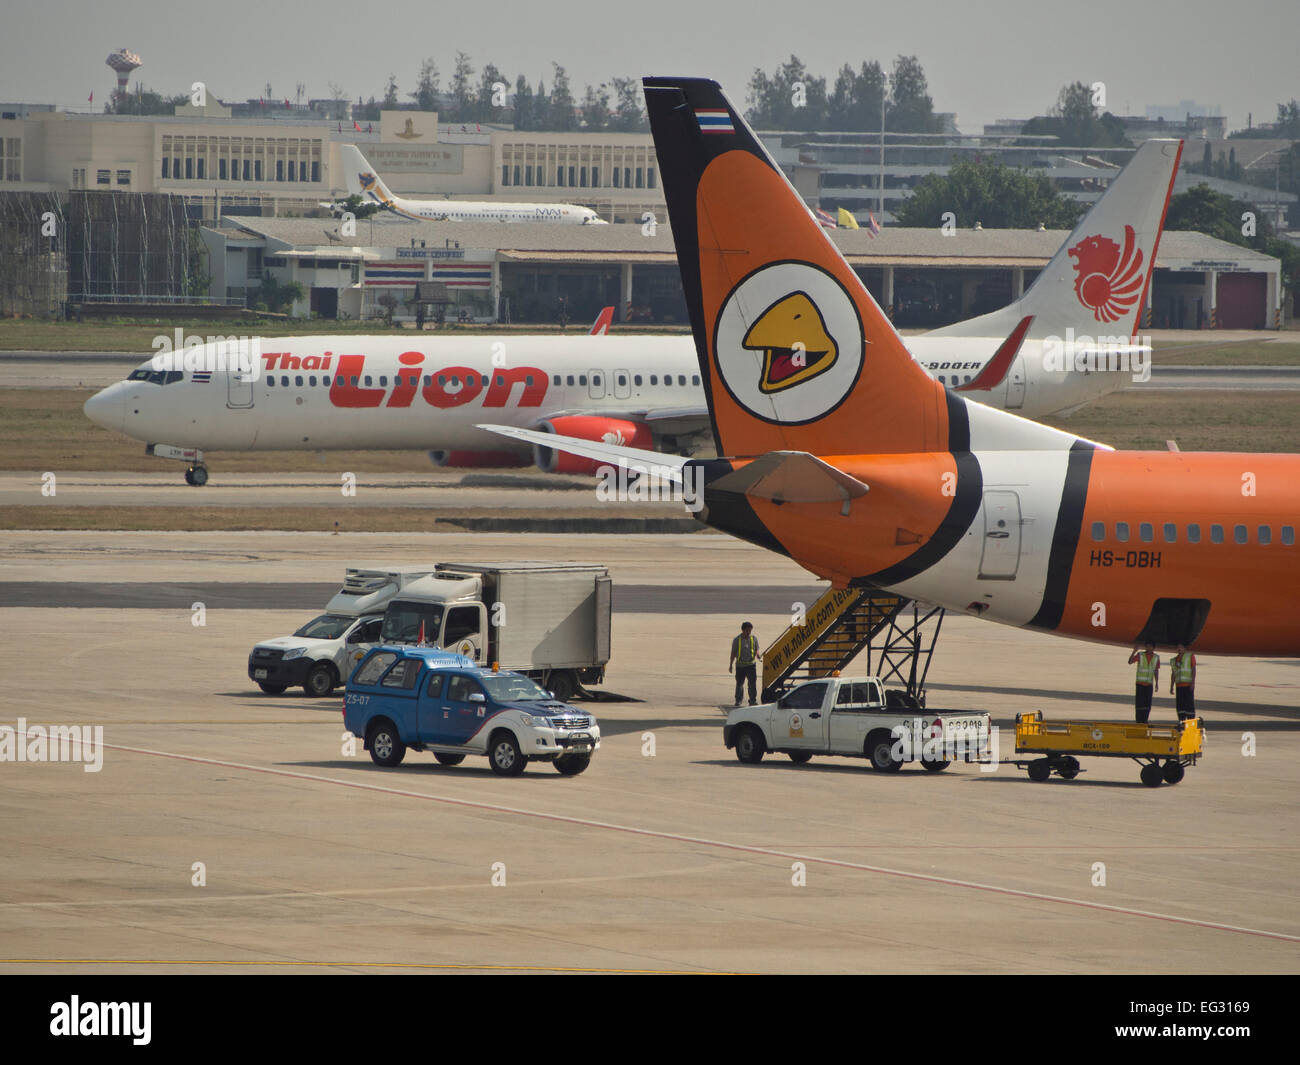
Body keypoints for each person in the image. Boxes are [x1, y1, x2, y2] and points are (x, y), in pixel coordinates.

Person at [1127, 642, 1160, 724]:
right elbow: (1130, 662)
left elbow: (1156, 671)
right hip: (1140, 684)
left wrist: (1156, 683)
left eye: (1150, 647)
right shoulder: (1140, 655)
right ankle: (1139, 720)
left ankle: (1145, 720)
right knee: (1139, 704)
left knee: (1147, 704)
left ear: (1153, 648)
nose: (1148, 648)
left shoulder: (1156, 657)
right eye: (1147, 647)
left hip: (1149, 684)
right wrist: (1134, 651)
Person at [729, 621, 759, 707]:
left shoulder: (754, 638)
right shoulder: (737, 640)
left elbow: (756, 648)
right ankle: (738, 700)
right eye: (747, 630)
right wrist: (730, 665)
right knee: (739, 684)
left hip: (751, 665)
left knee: (752, 684)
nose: (749, 632)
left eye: (750, 630)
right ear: (743, 630)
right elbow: (733, 653)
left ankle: (752, 700)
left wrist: (757, 654)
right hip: (740, 666)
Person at [1169, 644, 1197, 720]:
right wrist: (1171, 686)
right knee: (1180, 704)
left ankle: (1191, 720)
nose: (1179, 649)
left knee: (1189, 704)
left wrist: (1193, 682)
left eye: (1181, 647)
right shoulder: (1173, 660)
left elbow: (1193, 669)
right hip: (1179, 686)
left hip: (1188, 685)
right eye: (1178, 647)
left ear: (1185, 648)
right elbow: (1173, 674)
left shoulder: (1190, 656)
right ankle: (1181, 720)